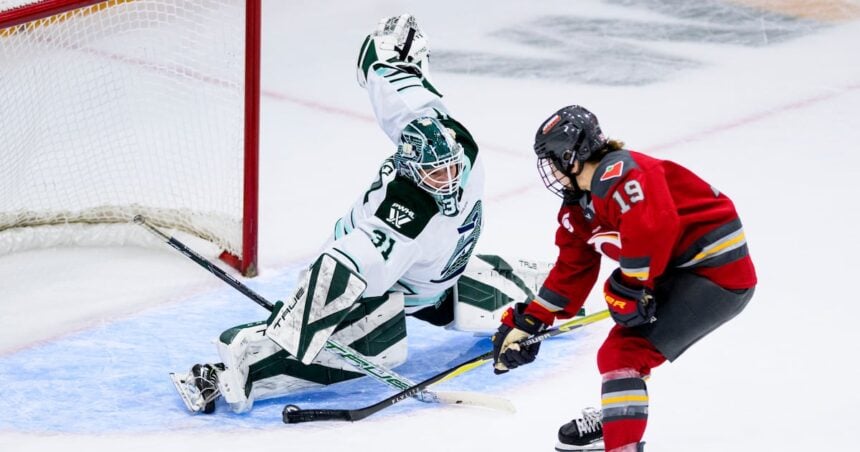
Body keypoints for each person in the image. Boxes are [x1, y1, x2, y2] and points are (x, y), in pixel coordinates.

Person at [169, 14, 548, 415]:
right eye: (436, 174)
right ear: (412, 169)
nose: (449, 180)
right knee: (381, 342)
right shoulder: (402, 215)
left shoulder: (454, 140)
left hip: (437, 270)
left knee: (458, 283)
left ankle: (544, 294)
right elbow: (346, 263)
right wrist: (301, 323)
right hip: (391, 287)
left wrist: (387, 58)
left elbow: (398, 87)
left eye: (452, 168)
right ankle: (229, 372)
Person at [490, 105, 757, 451]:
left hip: (715, 271)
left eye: (553, 161)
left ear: (572, 156)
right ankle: (620, 418)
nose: (551, 173)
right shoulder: (579, 206)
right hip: (677, 272)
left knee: (623, 354)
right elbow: (572, 268)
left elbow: (654, 226)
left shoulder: (621, 174)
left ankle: (621, 439)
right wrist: (530, 321)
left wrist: (632, 286)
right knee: (622, 352)